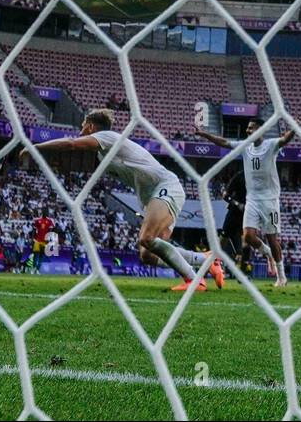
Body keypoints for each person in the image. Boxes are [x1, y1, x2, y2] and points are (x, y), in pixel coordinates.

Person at [24, 109, 223, 292]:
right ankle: (205, 260)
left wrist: (38, 147)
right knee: (148, 255)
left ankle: (194, 280)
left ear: (91, 127)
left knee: (146, 238)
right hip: (152, 195)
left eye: (83, 125)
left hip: (166, 186)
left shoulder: (108, 137)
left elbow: (71, 144)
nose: (80, 129)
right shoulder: (102, 155)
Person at [194, 119, 295, 288]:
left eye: (251, 128)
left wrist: (294, 130)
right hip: (252, 200)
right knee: (248, 236)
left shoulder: (271, 145)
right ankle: (268, 253)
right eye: (247, 128)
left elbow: (285, 140)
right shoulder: (245, 146)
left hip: (269, 200)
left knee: (272, 238)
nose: (247, 131)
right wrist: (205, 135)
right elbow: (224, 142)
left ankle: (281, 276)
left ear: (260, 130)